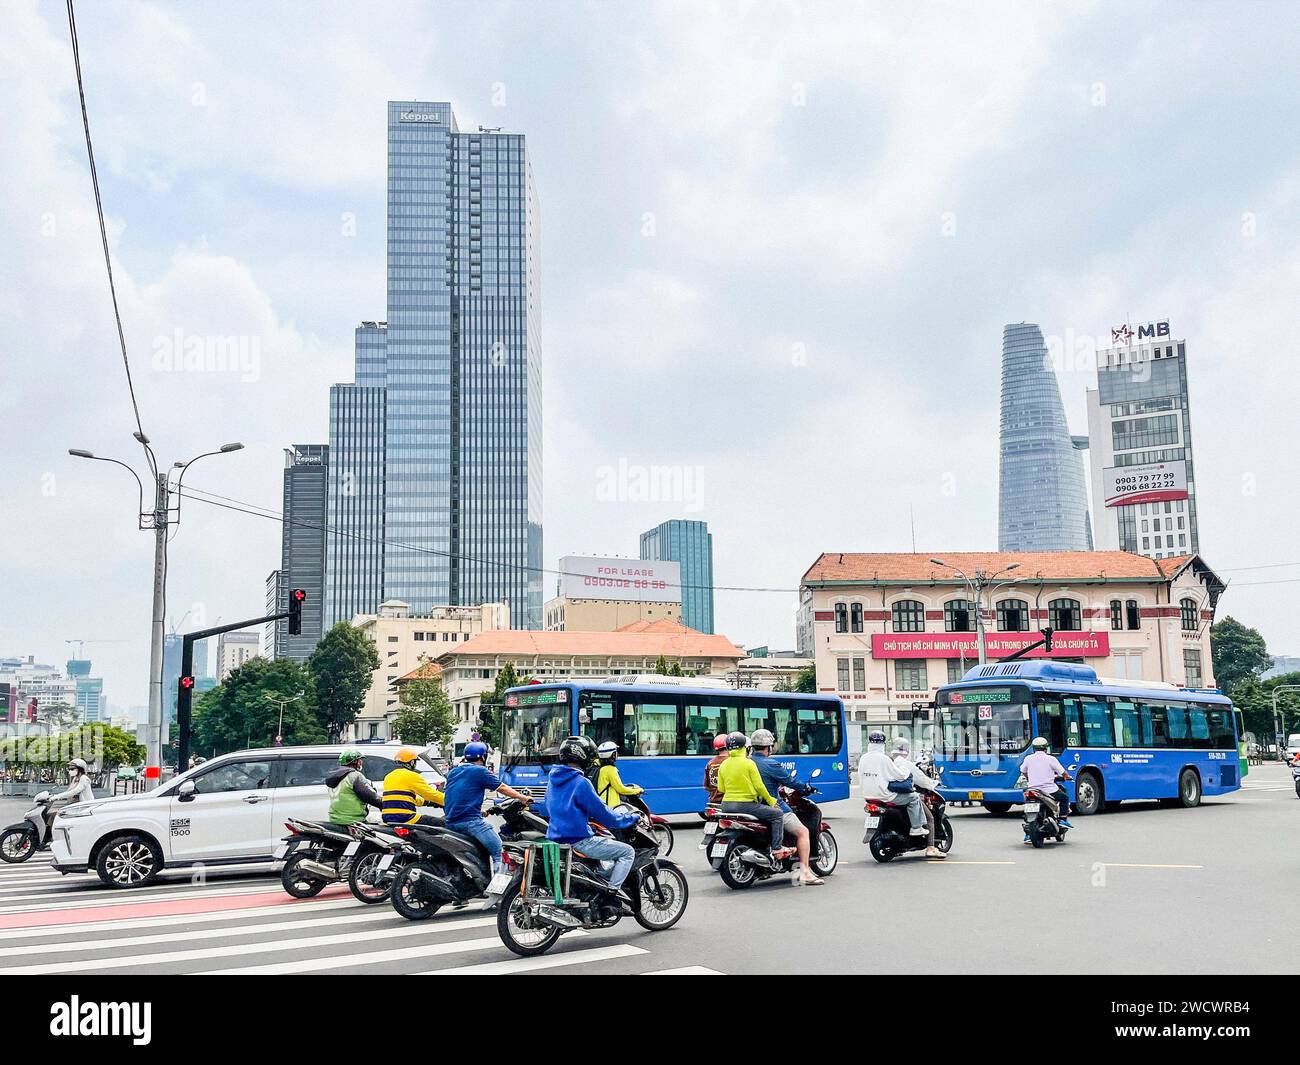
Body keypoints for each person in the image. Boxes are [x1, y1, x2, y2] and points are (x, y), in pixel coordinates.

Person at [543, 735, 639, 893]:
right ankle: (612, 892)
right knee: (628, 852)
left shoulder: (552, 781)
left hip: (555, 839)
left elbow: (549, 806)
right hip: (579, 841)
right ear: (583, 757)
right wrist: (631, 818)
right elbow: (605, 814)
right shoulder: (581, 782)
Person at [441, 741, 532, 873]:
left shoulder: (454, 771)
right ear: (483, 757)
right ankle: (498, 887)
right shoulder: (480, 771)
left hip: (450, 822)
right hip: (470, 822)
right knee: (499, 851)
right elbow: (502, 788)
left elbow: (460, 794)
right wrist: (523, 798)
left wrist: (481, 811)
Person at [749, 728, 824, 885]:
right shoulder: (771, 764)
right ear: (768, 747)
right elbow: (791, 782)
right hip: (772, 806)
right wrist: (806, 788)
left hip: (748, 807)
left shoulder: (746, 762)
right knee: (803, 832)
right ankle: (804, 872)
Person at [716, 731, 790, 861]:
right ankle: (777, 848)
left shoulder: (724, 765)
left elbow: (721, 788)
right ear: (746, 747)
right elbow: (759, 786)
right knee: (777, 814)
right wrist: (771, 800)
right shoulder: (749, 763)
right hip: (745, 806)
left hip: (726, 806)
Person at [859, 731, 928, 839]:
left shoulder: (863, 758)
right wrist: (905, 770)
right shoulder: (884, 758)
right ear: (883, 744)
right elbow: (899, 776)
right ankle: (916, 827)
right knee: (914, 798)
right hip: (884, 796)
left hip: (867, 796)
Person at [890, 737, 945, 859]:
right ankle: (930, 847)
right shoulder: (907, 764)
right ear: (907, 750)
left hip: (889, 797)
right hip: (905, 795)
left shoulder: (890, 763)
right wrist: (933, 783)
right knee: (930, 817)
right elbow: (921, 779)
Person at [1020, 736, 1073, 842]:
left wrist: (1029, 778)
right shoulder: (1051, 759)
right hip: (1049, 790)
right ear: (1046, 748)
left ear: (1034, 748)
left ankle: (1028, 834)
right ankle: (1062, 819)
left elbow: (1023, 771)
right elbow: (1062, 772)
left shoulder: (1028, 758)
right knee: (1064, 798)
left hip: (1032, 790)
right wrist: (1068, 777)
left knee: (1027, 809)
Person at [381, 747, 445, 825]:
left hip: (388, 818)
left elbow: (405, 797)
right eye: (415, 761)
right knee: (443, 823)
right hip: (406, 817)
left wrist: (427, 802)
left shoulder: (388, 776)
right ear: (411, 762)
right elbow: (431, 794)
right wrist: (449, 800)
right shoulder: (412, 776)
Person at [326, 749, 382, 827]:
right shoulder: (354, 776)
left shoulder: (335, 777)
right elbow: (370, 796)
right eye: (360, 760)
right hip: (353, 820)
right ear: (355, 762)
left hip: (335, 819)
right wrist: (383, 804)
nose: (361, 762)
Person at [593, 741, 645, 811]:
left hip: (599, 804)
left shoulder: (597, 766)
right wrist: (638, 790)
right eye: (616, 752)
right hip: (610, 807)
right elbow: (621, 789)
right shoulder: (610, 769)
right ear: (613, 755)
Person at [703, 733, 728, 804]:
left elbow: (706, 786)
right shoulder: (731, 761)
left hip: (713, 801)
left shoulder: (710, 763)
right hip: (727, 801)